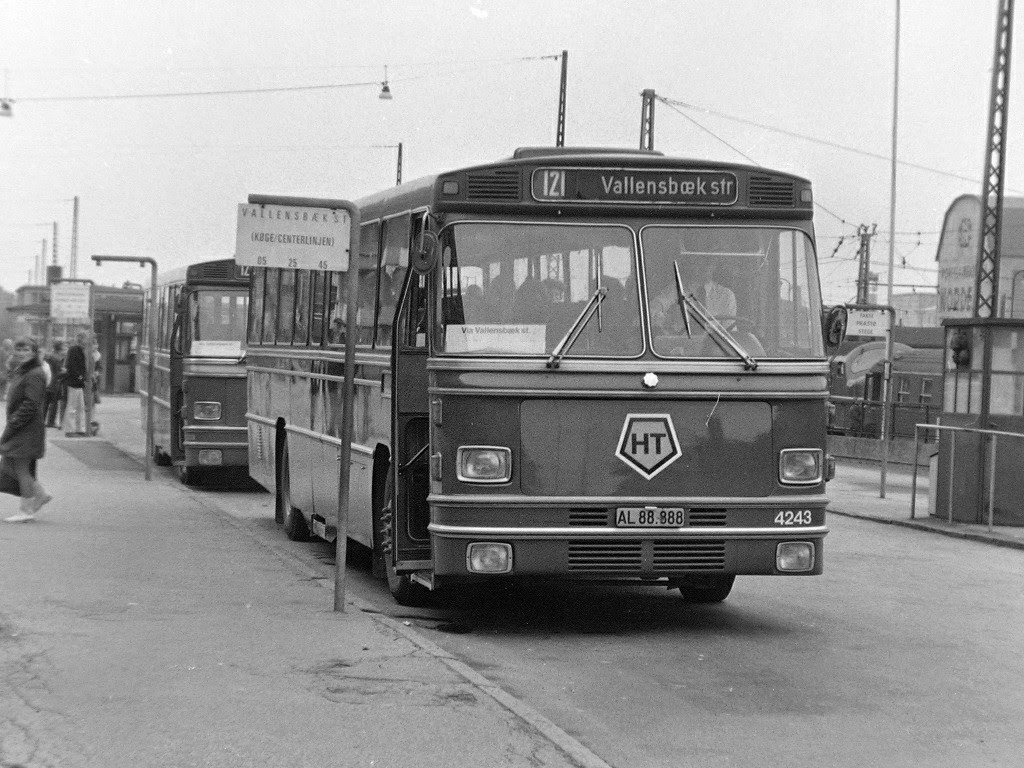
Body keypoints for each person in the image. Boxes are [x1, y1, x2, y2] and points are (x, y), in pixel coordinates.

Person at [1, 337, 52, 522]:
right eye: (19, 349)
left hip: (26, 428)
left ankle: (26, 510)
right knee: (16, 467)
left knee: (21, 469)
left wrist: (14, 422)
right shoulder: (24, 371)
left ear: (34, 351)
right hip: (23, 426)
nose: (22, 353)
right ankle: (40, 494)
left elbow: (31, 403)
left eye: (26, 350)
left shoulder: (34, 373)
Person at [62, 332, 89, 437]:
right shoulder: (74, 350)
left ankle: (79, 428)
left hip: (78, 383)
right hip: (74, 382)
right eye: (85, 340)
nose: (86, 342)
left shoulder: (80, 350)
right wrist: (80, 376)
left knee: (80, 407)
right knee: (72, 406)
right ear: (80, 340)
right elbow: (71, 365)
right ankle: (70, 430)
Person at [43, 341, 66, 428]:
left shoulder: (49, 357)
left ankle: (42, 421)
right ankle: (50, 422)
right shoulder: (57, 359)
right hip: (54, 384)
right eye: (64, 349)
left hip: (47, 383)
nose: (65, 351)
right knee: (54, 404)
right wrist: (65, 372)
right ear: (59, 350)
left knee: (45, 403)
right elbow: (57, 374)